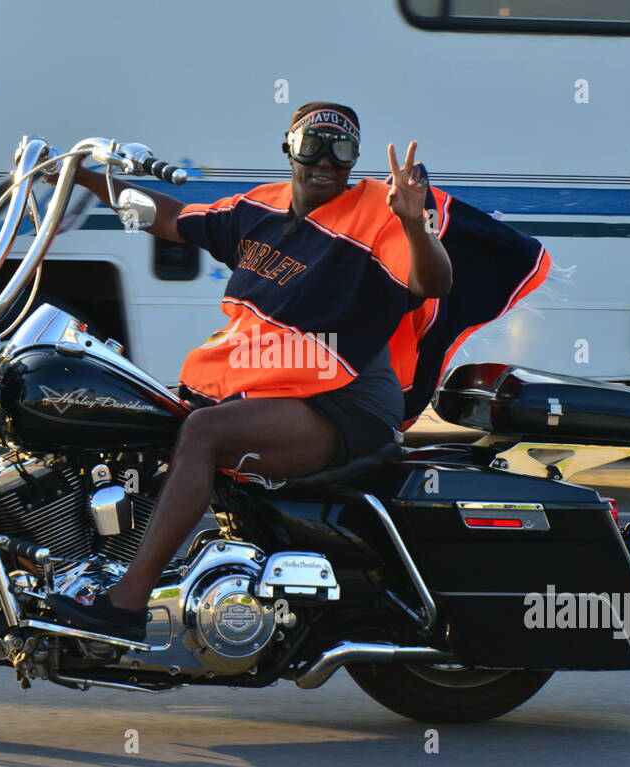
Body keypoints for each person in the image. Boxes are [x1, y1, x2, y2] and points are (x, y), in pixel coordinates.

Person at [45, 101, 452, 642]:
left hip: (345, 400)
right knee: (136, 412)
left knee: (204, 433)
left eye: (343, 149)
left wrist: (414, 225)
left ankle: (127, 603)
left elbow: (434, 283)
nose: (327, 160)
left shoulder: (379, 212)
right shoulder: (260, 209)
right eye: (313, 145)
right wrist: (86, 179)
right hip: (276, 382)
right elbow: (167, 218)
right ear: (289, 148)